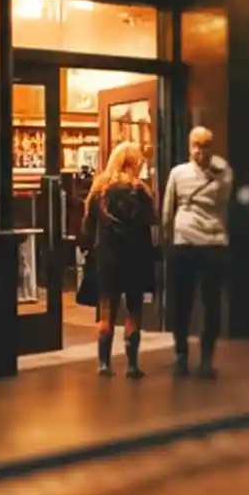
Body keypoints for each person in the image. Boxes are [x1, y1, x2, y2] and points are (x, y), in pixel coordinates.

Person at [80, 142, 158, 379]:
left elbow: (87, 225)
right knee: (134, 310)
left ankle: (104, 364)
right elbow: (153, 221)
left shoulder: (100, 188)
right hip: (135, 256)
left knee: (106, 310)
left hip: (108, 257)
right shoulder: (141, 190)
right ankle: (132, 365)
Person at [162, 126, 234, 378]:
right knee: (184, 302)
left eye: (205, 145)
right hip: (188, 242)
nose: (200, 151)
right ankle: (182, 355)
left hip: (210, 242)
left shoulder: (222, 172)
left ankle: (204, 358)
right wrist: (170, 236)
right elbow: (168, 209)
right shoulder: (178, 173)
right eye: (196, 145)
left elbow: (225, 197)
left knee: (210, 304)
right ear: (189, 146)